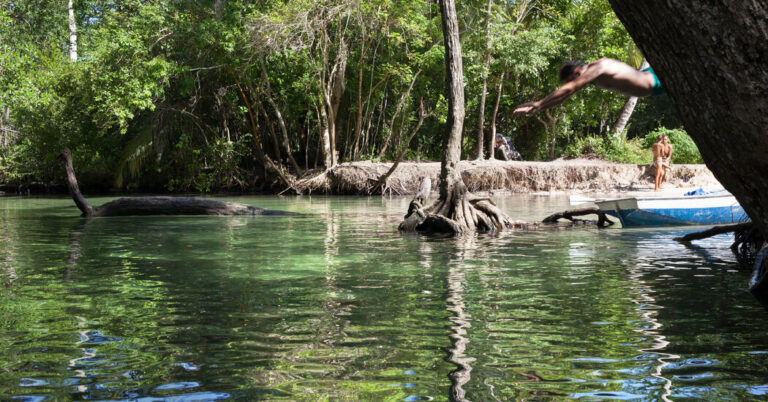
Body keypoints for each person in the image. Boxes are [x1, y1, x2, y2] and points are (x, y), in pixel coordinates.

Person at [513, 58, 665, 116]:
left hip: (654, 80)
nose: (568, 84)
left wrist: (539, 102)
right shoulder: (588, 77)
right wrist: (536, 108)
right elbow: (563, 97)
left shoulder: (599, 67)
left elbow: (570, 87)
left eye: (569, 80)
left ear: (577, 72)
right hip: (648, 82)